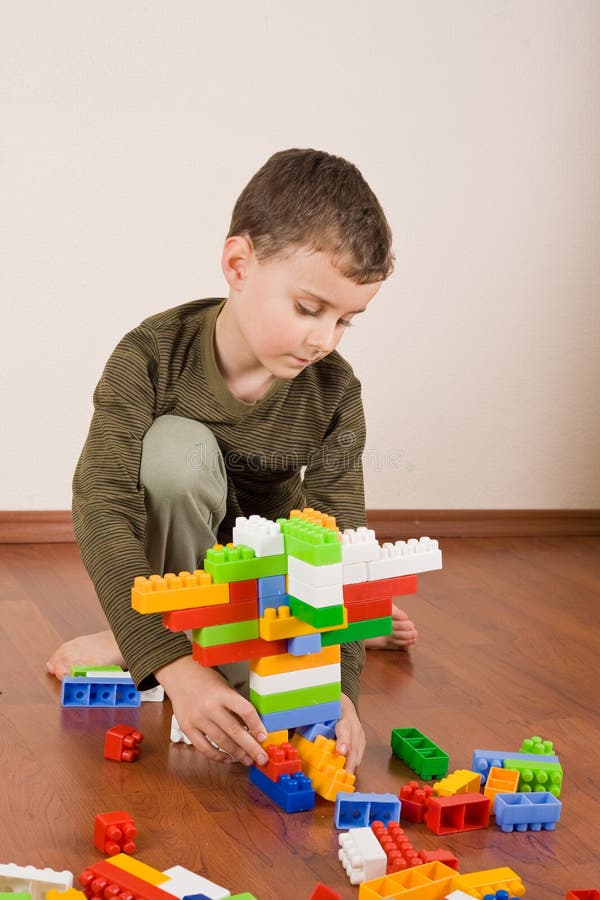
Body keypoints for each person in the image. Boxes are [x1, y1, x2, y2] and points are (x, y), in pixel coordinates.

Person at [46, 148, 417, 774]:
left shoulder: (335, 390)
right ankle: (167, 645)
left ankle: (149, 643)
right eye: (308, 309)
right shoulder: (150, 357)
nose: (324, 339)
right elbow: (102, 504)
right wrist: (177, 670)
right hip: (181, 579)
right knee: (175, 453)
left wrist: (339, 691)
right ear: (239, 264)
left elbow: (343, 539)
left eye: (346, 321)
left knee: (327, 613)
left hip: (265, 572)